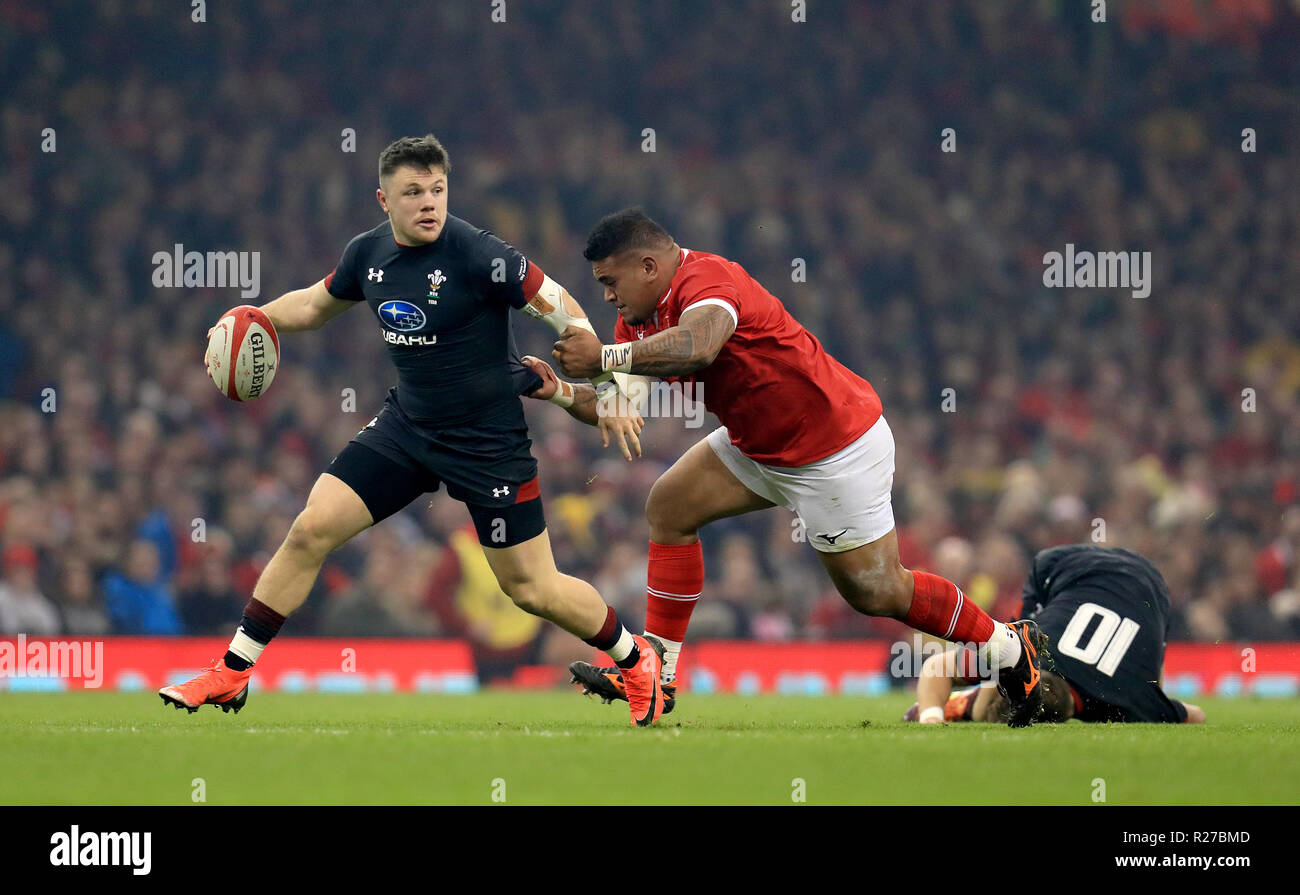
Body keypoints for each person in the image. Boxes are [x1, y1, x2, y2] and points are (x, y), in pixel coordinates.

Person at [160, 136, 667, 726]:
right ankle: (233, 672)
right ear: (384, 199)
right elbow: (315, 305)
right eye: (413, 193)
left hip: (487, 444)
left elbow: (565, 309)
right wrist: (253, 316)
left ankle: (635, 660)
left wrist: (612, 385)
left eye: (437, 190)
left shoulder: (482, 254)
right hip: (409, 427)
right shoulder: (366, 254)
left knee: (533, 590)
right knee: (310, 529)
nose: (429, 203)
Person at [537, 208, 1046, 726]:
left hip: (834, 447)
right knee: (669, 507)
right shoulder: (637, 323)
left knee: (877, 592)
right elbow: (619, 405)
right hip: (759, 447)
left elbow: (697, 345)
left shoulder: (710, 279)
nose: (606, 296)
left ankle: (1008, 648)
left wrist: (606, 357)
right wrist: (554, 390)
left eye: (609, 281)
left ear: (648, 266)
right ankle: (657, 673)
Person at [904, 544, 1206, 725]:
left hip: (1147, 585)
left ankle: (966, 705)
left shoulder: (1130, 702)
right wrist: (931, 716)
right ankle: (967, 704)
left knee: (1154, 687)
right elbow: (937, 668)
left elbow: (1195, 715)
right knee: (1006, 647)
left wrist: (1158, 706)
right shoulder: (1025, 652)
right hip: (1082, 568)